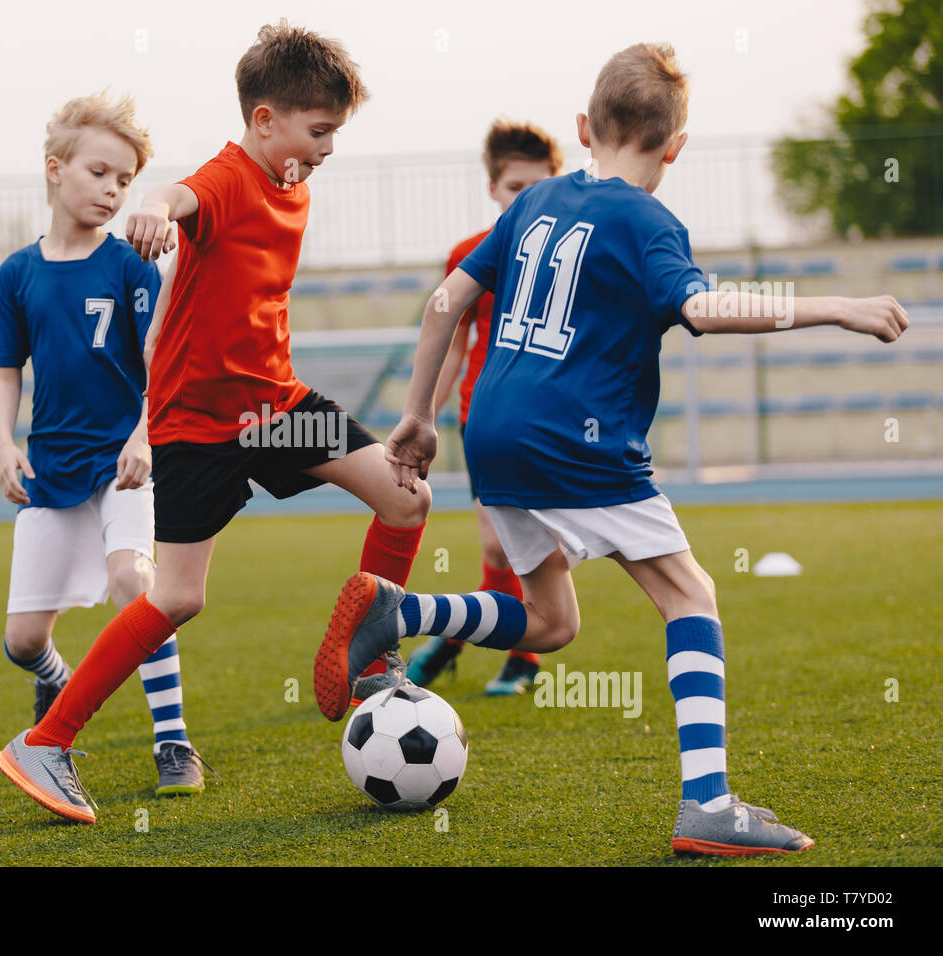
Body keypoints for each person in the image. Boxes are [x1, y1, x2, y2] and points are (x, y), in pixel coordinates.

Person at [316, 42, 908, 855]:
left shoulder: (535, 202)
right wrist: (835, 305)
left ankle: (401, 612)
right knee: (691, 596)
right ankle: (707, 803)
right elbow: (701, 310)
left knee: (552, 622)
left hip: (492, 432)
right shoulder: (647, 221)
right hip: (577, 441)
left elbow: (445, 299)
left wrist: (416, 416)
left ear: (585, 126)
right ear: (677, 146)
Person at [0, 22, 430, 823]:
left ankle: (372, 660)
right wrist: (153, 211)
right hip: (197, 428)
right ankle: (46, 742)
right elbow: (177, 196)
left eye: (336, 131)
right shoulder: (228, 179)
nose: (329, 147)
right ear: (265, 120)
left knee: (406, 499)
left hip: (274, 411)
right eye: (318, 130)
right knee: (177, 598)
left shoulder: (295, 181)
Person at [0, 92, 207, 809]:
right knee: (21, 640)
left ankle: (172, 738)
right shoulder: (16, 274)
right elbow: (5, 371)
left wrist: (146, 435)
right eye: (100, 172)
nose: (114, 190)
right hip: (53, 467)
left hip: (124, 461)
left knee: (134, 585)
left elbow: (160, 360)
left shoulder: (132, 265)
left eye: (125, 179)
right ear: (55, 170)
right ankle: (55, 677)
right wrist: (5, 445)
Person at [408, 119, 563, 696]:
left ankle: (452, 640)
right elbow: (453, 343)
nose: (526, 197)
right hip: (486, 420)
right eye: (515, 188)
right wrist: (423, 412)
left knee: (547, 547)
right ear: (494, 190)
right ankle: (521, 659)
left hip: (555, 422)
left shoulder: (566, 257)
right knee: (500, 544)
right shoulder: (470, 254)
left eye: (539, 186)